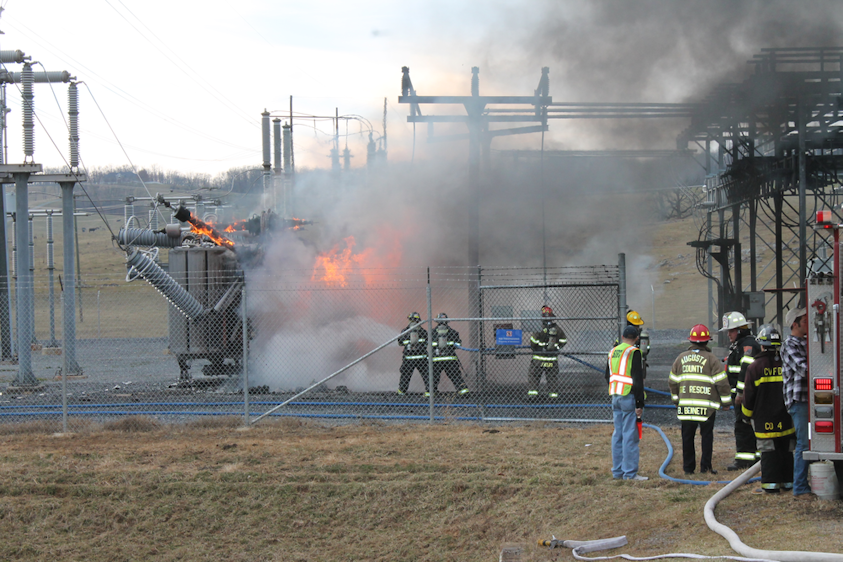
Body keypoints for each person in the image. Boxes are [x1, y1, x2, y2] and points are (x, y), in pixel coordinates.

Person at [668, 324, 731, 475]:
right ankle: (705, 468)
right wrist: (726, 402)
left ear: (691, 340)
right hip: (706, 408)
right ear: (707, 341)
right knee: (707, 436)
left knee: (687, 437)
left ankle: (688, 468)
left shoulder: (681, 358)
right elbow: (722, 383)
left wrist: (676, 401)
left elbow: (672, 382)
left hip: (686, 407)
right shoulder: (712, 359)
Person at [742, 324, 795, 493]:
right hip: (787, 419)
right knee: (786, 452)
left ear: (762, 345)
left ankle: (770, 487)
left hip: (764, 421)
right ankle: (788, 483)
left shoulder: (755, 367)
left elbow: (748, 396)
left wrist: (746, 416)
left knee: (769, 453)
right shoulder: (786, 364)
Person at [720, 311, 761, 471]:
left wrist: (740, 393)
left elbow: (746, 369)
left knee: (743, 426)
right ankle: (754, 458)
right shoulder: (742, 344)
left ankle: (745, 460)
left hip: (745, 395)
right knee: (747, 425)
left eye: (731, 331)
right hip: (745, 394)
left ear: (740, 330)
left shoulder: (747, 346)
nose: (728, 334)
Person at [606, 325, 647, 481]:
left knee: (618, 434)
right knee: (630, 435)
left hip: (615, 396)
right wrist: (639, 403)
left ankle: (617, 471)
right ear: (636, 339)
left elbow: (607, 375)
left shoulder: (612, 352)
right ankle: (630, 473)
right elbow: (637, 379)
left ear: (622, 337)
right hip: (628, 396)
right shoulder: (634, 352)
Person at [781, 307, 811, 498]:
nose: (808, 323)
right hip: (799, 400)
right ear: (794, 324)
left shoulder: (808, 343)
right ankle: (799, 487)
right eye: (805, 320)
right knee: (804, 443)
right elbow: (803, 369)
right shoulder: (789, 345)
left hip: (810, 399)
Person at [528, 305, 567, 399]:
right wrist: (556, 347)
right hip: (552, 359)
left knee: (534, 376)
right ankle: (553, 397)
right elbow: (564, 340)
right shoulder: (557, 328)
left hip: (538, 359)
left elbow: (533, 342)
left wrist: (536, 348)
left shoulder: (538, 328)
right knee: (552, 378)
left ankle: (533, 396)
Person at [430, 313, 470, 396]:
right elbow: (458, 344)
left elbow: (429, 345)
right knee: (455, 376)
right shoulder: (453, 332)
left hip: (436, 359)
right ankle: (463, 391)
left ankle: (431, 392)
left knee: (434, 376)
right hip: (450, 358)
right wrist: (450, 346)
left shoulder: (432, 332)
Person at [397, 312, 429, 396]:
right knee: (426, 375)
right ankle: (429, 391)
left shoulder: (405, 331)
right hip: (421, 358)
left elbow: (400, 343)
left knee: (405, 375)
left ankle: (402, 391)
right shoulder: (423, 331)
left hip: (408, 358)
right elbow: (427, 343)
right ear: (418, 321)